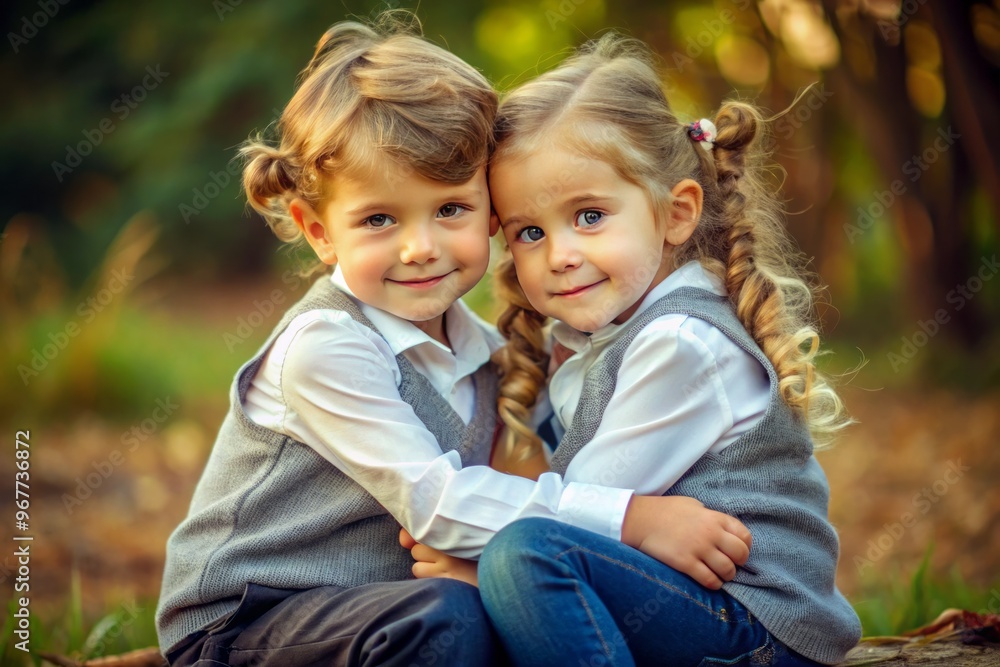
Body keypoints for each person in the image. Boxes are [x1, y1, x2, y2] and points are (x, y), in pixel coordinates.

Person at [155, 14, 754, 667]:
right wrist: (631, 519)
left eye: (449, 209)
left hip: (379, 607)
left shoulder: (483, 351)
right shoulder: (325, 346)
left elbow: (528, 481)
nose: (421, 247)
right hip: (246, 625)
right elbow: (438, 503)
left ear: (491, 209)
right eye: (379, 218)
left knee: (487, 608)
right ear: (318, 229)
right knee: (448, 618)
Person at [409, 33, 861, 666]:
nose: (560, 255)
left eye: (590, 215)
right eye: (530, 232)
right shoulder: (590, 337)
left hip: (758, 627)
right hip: (691, 606)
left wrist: (472, 564)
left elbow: (574, 507)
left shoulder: (681, 342)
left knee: (524, 559)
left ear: (675, 214)